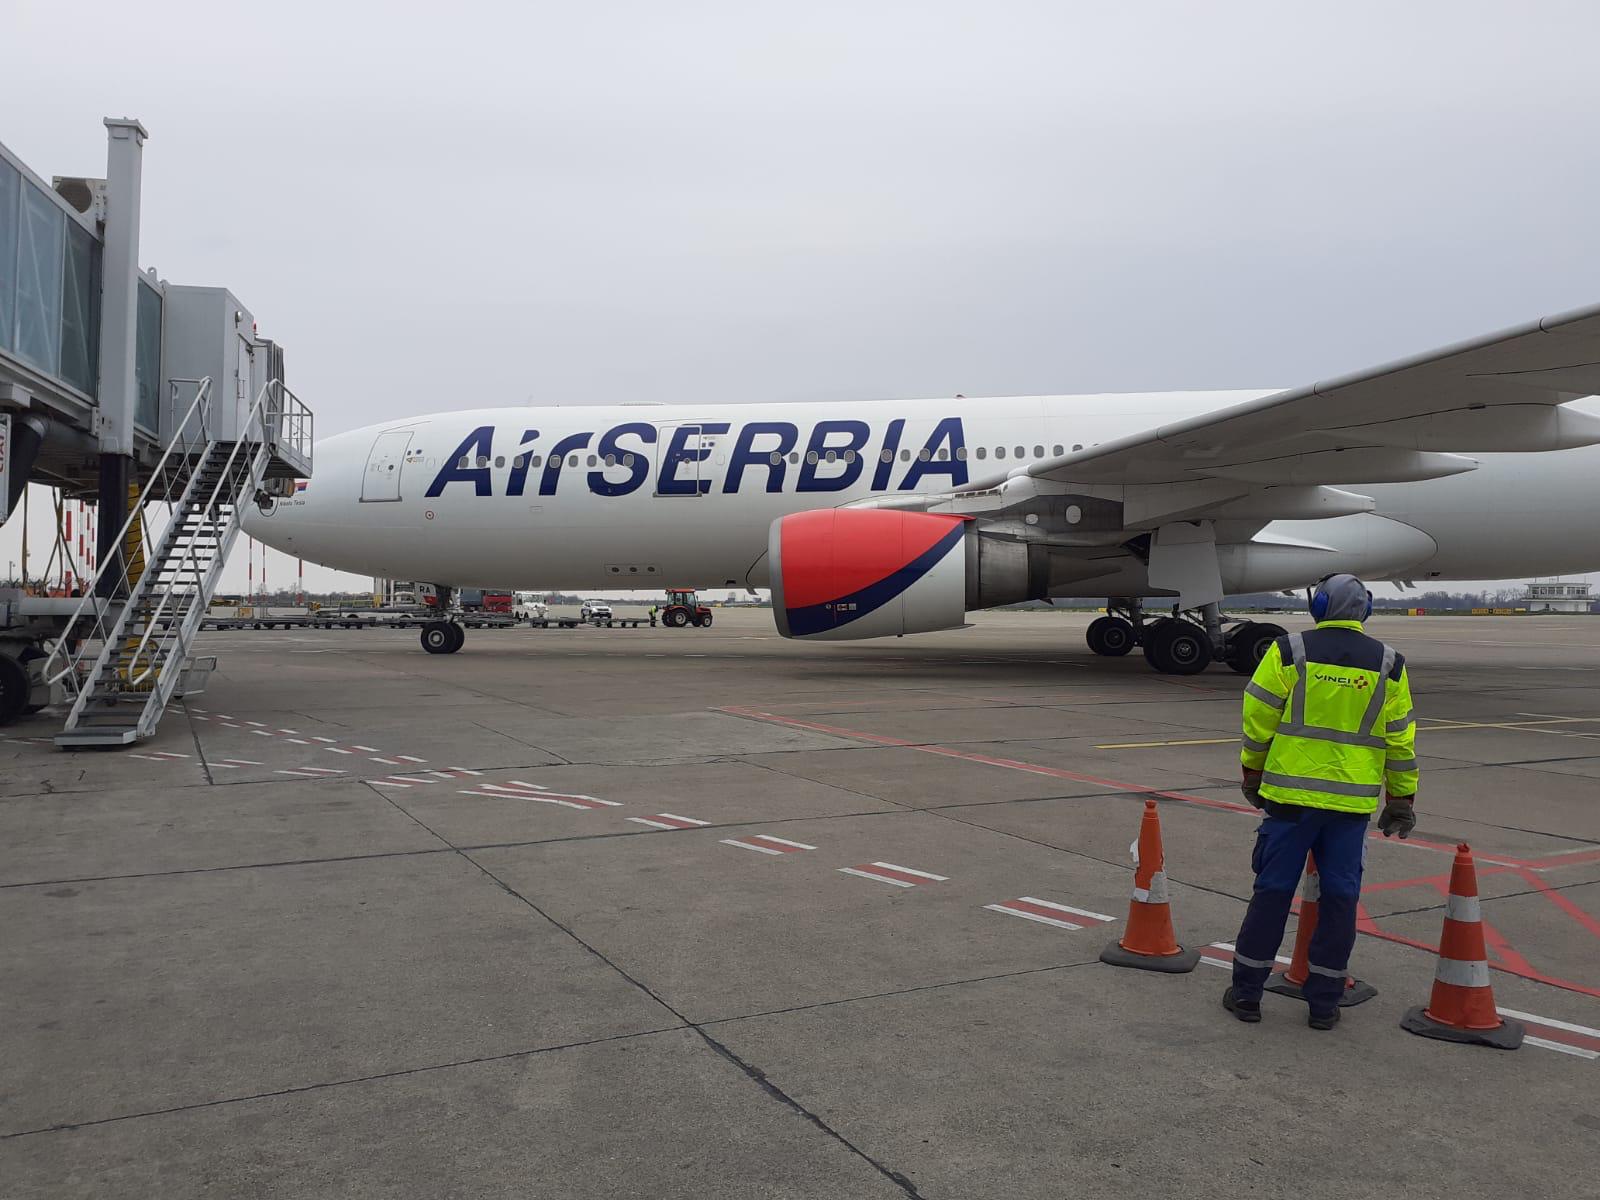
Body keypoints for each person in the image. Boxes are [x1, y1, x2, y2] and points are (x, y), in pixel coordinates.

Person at [1223, 573, 1419, 1030]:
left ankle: (1248, 995)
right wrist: (1401, 797)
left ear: (1320, 606)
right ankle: (1325, 1004)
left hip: (1289, 800)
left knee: (1271, 894)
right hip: (1349, 810)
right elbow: (1401, 739)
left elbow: (1258, 717)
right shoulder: (1389, 663)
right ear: (1365, 610)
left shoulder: (1290, 651)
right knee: (1339, 900)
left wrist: (1253, 770)